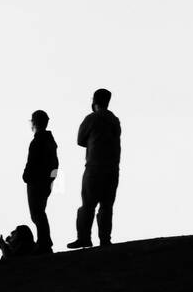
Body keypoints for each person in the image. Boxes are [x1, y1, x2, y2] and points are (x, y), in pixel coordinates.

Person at [68, 88, 121, 248]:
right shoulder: (114, 120)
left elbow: (80, 140)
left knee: (88, 205)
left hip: (94, 167)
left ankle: (84, 238)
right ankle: (105, 240)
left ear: (94, 101)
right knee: (106, 206)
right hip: (112, 168)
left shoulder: (91, 118)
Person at [22, 110, 59, 254]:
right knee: (39, 212)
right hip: (45, 182)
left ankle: (44, 242)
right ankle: (45, 241)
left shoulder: (38, 141)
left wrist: (26, 176)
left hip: (36, 182)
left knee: (37, 213)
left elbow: (32, 162)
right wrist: (51, 179)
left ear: (34, 123)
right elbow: (55, 164)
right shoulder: (50, 141)